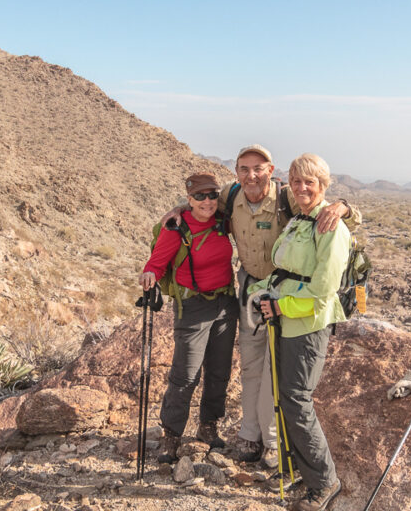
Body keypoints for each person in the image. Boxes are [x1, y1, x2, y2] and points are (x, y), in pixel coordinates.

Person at [161, 144, 360, 470]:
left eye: (259, 168)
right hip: (251, 290)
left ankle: (272, 441)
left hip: (286, 295)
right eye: (244, 169)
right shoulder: (231, 195)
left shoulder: (288, 197)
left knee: (275, 371)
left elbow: (322, 203)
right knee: (251, 365)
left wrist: (344, 207)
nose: (251, 175)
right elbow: (203, 202)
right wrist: (179, 209)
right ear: (237, 173)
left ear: (271, 170)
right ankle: (248, 434)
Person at [253, 153, 348, 511]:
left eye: (310, 181)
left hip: (307, 325)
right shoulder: (300, 220)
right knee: (285, 399)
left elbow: (323, 291)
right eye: (296, 181)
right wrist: (258, 293)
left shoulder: (331, 228)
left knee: (296, 400)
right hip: (284, 320)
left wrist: (281, 306)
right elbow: (284, 272)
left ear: (323, 185)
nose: (302, 187)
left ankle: (325, 483)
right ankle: (303, 474)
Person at [139, 172, 239, 463]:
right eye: (199, 196)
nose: (206, 201)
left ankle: (208, 428)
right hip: (193, 306)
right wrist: (149, 276)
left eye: (211, 195)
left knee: (219, 371)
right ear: (189, 199)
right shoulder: (177, 227)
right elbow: (156, 263)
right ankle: (171, 435)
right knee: (185, 375)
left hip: (225, 303)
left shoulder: (223, 220)